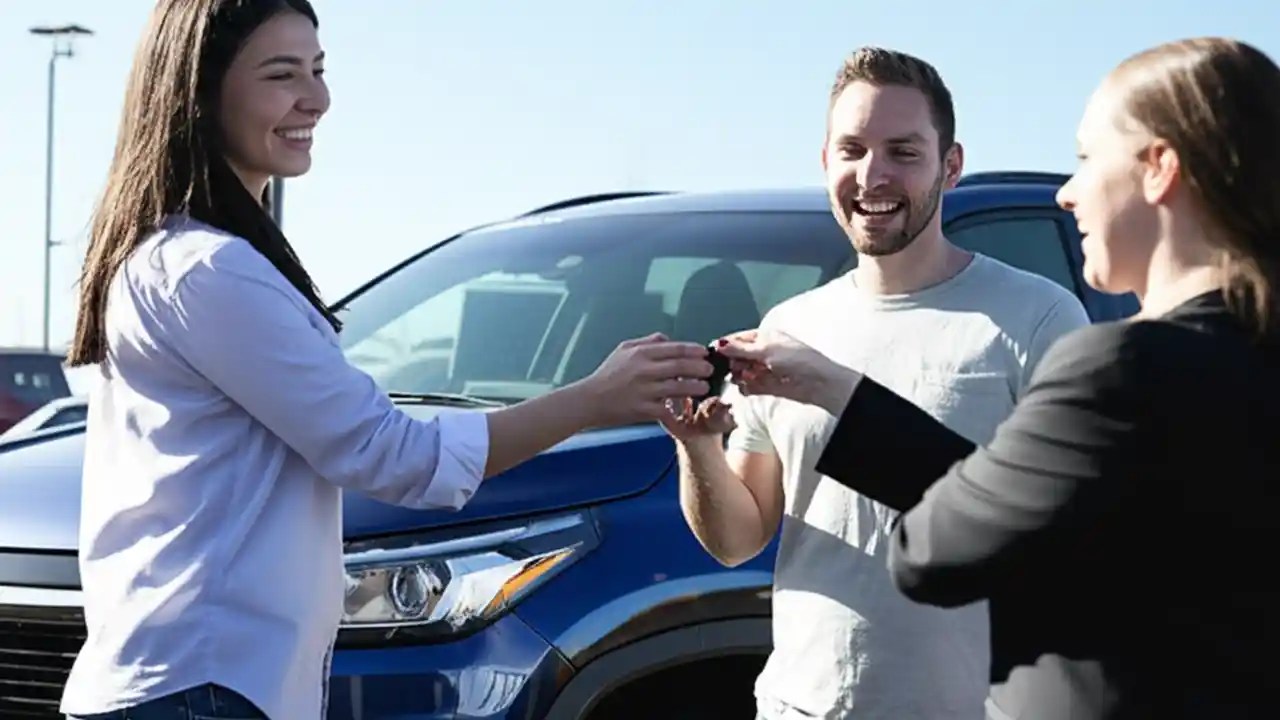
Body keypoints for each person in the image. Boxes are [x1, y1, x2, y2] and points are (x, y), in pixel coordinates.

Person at [57, 2, 714, 719]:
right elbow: (392, 456)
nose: (317, 98)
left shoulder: (172, 259)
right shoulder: (209, 272)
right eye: (282, 74)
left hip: (183, 678)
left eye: (318, 70)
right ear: (198, 92)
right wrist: (593, 398)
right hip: (201, 689)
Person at [718, 37, 1280, 720]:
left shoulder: (1113, 364)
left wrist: (838, 391)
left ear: (1159, 167)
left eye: (1085, 158)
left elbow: (942, 546)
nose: (1068, 194)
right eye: (853, 148)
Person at [661, 47, 1089, 720]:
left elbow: (1058, 536)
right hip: (801, 706)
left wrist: (837, 387)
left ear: (951, 166)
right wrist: (696, 448)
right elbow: (738, 538)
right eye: (852, 149)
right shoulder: (791, 324)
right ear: (825, 161)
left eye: (903, 152)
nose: (872, 175)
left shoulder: (1035, 317)